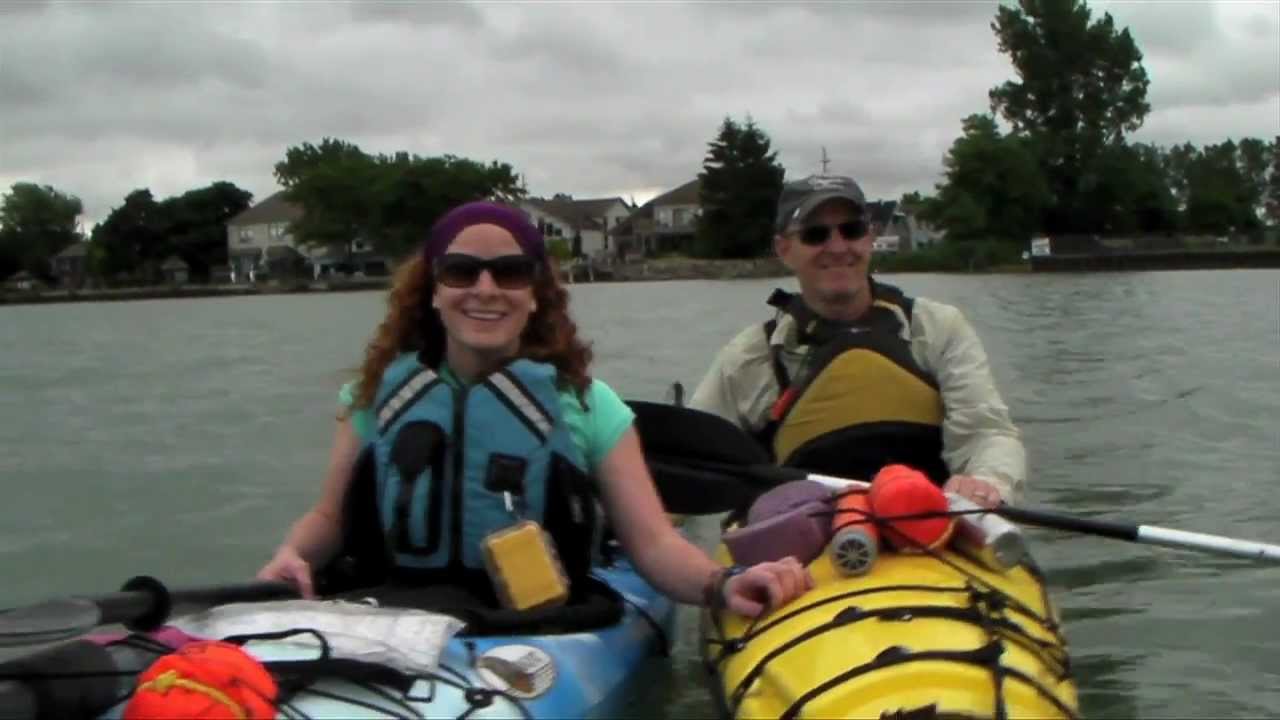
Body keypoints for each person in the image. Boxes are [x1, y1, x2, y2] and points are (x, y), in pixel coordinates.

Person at [257, 200, 811, 618]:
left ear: (535, 292)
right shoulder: (372, 397)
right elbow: (329, 520)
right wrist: (293, 554)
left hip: (533, 625)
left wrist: (722, 583)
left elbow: (653, 543)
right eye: (460, 272)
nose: (485, 288)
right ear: (432, 290)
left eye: (510, 272)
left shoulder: (592, 407)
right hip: (395, 613)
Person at [688, 175, 1025, 509]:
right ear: (784, 249)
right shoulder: (748, 357)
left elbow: (986, 432)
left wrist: (986, 482)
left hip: (932, 527)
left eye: (851, 231)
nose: (837, 247)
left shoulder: (938, 328)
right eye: (815, 234)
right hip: (799, 543)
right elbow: (691, 461)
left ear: (869, 238)